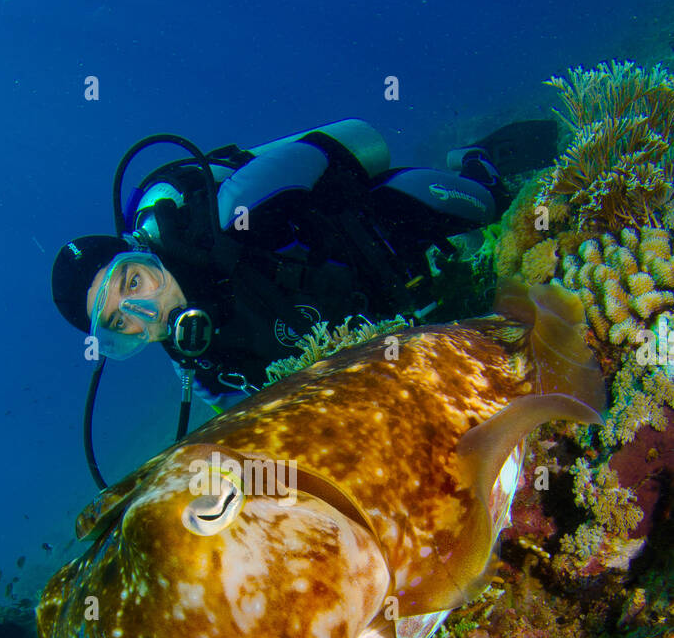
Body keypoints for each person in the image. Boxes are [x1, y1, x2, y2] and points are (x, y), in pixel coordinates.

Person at [52, 118, 555, 484]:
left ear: (144, 254)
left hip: (387, 230)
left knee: (491, 204)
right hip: (389, 340)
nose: (145, 313)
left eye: (134, 283)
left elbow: (329, 151)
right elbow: (252, 420)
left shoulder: (226, 213)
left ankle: (475, 160)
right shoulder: (198, 363)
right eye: (120, 320)